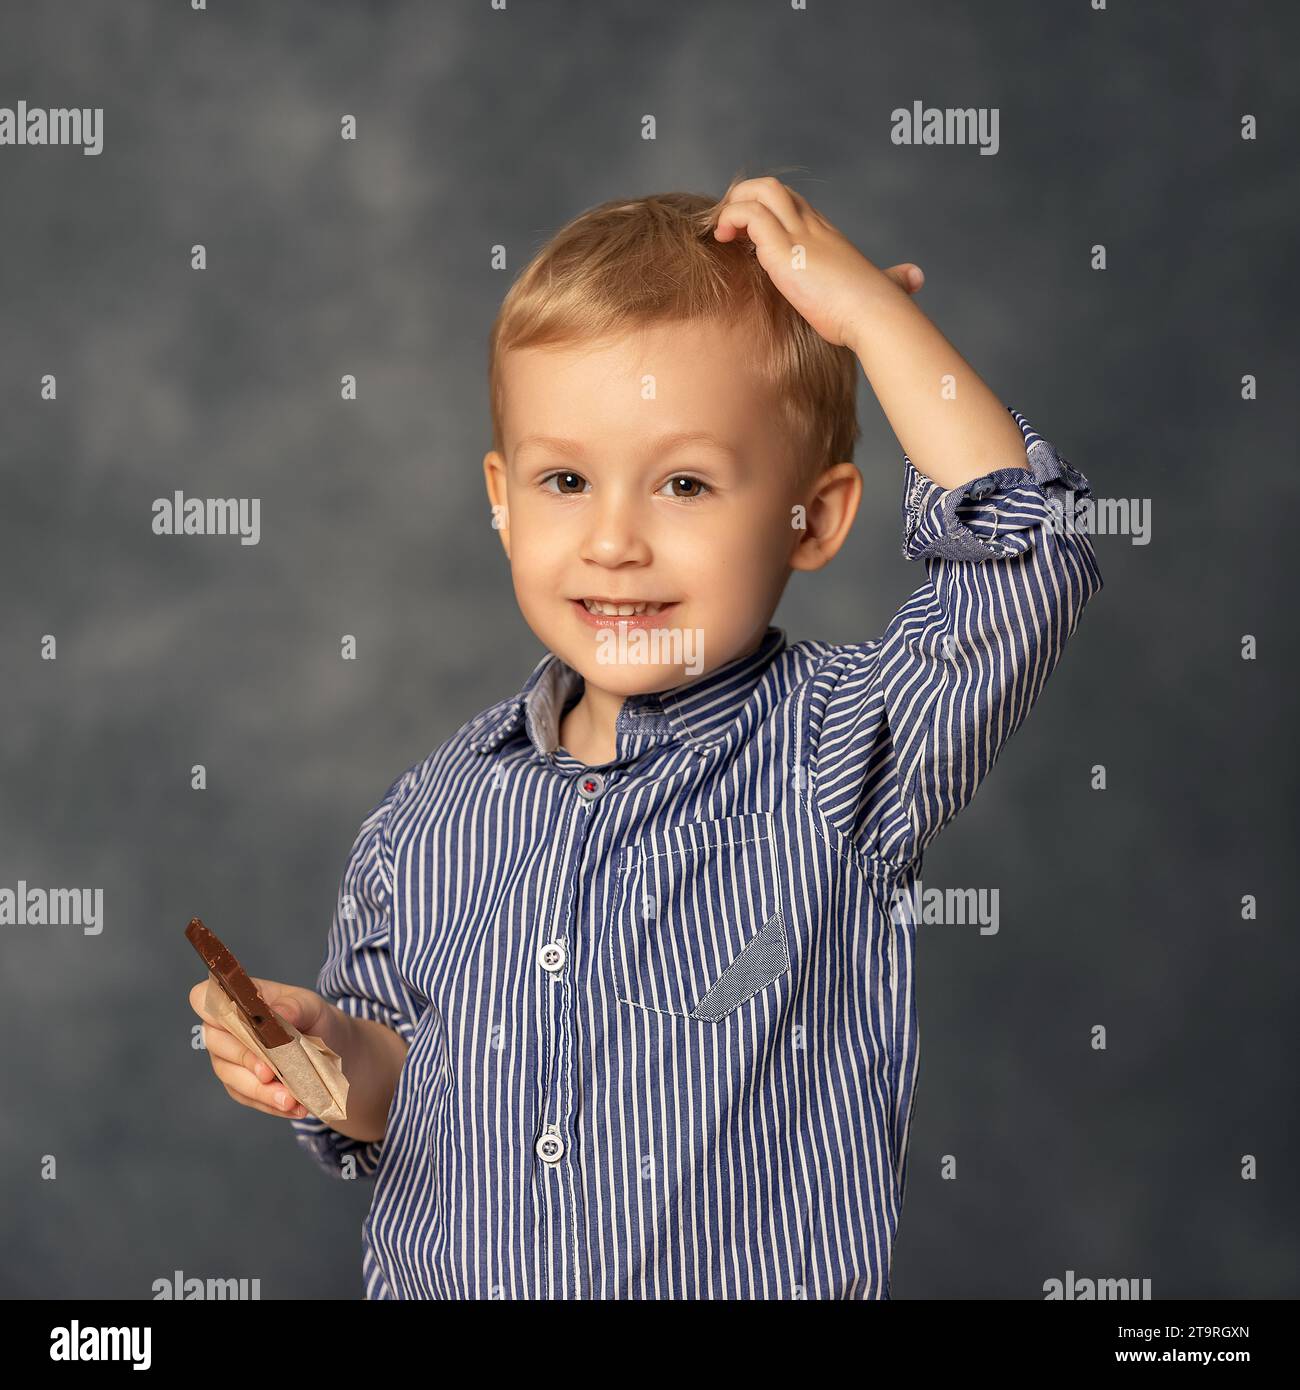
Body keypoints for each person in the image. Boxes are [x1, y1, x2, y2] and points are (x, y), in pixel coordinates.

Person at [190, 174, 1102, 1299]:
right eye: (565, 479)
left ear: (810, 518)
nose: (614, 539)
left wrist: (870, 318)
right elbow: (400, 1093)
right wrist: (325, 1054)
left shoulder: (845, 750)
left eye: (683, 482)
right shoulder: (429, 814)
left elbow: (1026, 550)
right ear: (503, 499)